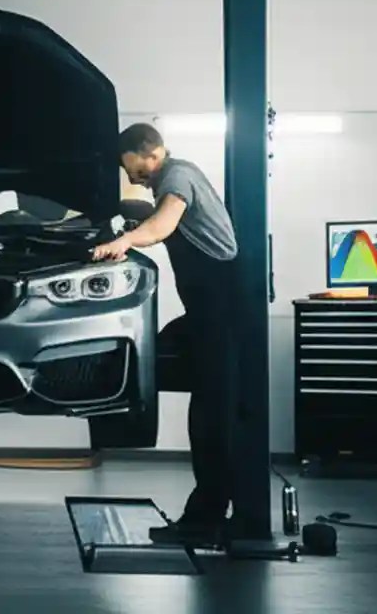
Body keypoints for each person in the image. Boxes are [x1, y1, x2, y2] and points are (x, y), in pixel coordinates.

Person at [92, 122, 240, 545]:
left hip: (221, 312)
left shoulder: (177, 176)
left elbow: (161, 225)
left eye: (134, 167)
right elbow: (149, 213)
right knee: (150, 358)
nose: (133, 175)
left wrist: (124, 243)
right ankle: (207, 513)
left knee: (210, 417)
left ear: (150, 153)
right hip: (205, 313)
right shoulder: (171, 179)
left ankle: (206, 518)